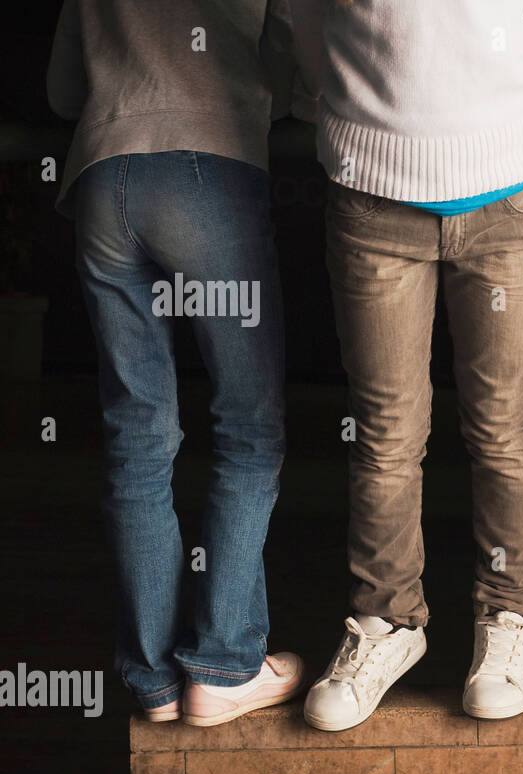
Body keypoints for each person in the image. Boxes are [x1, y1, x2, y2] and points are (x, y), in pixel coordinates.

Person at [288, 0, 523, 730]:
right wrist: (335, 98)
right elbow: (305, 15)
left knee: (501, 425)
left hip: (506, 194)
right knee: (385, 434)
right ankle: (385, 623)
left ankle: (507, 621)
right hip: (373, 196)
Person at [47, 0, 304, 726]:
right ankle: (224, 663)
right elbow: (302, 75)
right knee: (249, 426)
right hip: (206, 169)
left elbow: (64, 91)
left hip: (102, 178)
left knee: (137, 432)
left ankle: (155, 681)